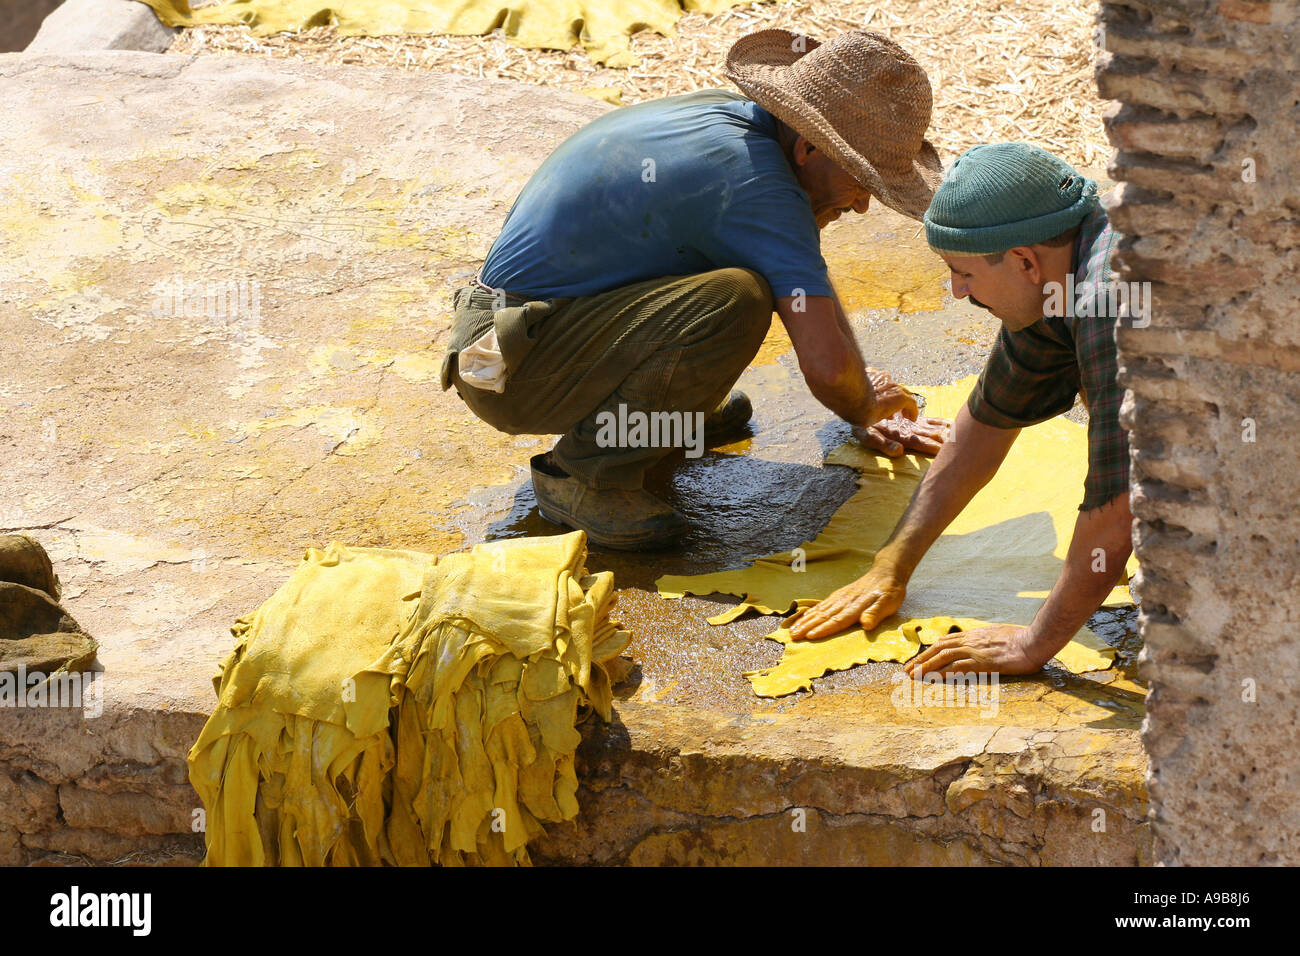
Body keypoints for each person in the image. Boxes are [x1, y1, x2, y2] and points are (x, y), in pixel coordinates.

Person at [440, 29, 949, 550]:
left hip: (530, 331)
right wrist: (865, 407)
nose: (862, 205)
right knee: (738, 299)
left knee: (740, 285)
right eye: (861, 180)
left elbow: (803, 278)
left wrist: (858, 384)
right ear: (810, 147)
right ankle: (582, 475)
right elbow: (822, 366)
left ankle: (664, 421)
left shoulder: (737, 127)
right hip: (511, 369)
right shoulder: (755, 184)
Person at [791, 142, 1134, 677]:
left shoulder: (1110, 304)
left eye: (963, 273)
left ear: (1022, 260)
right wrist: (892, 564)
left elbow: (1116, 509)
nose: (955, 291)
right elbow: (985, 426)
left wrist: (1033, 643)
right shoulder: (1058, 268)